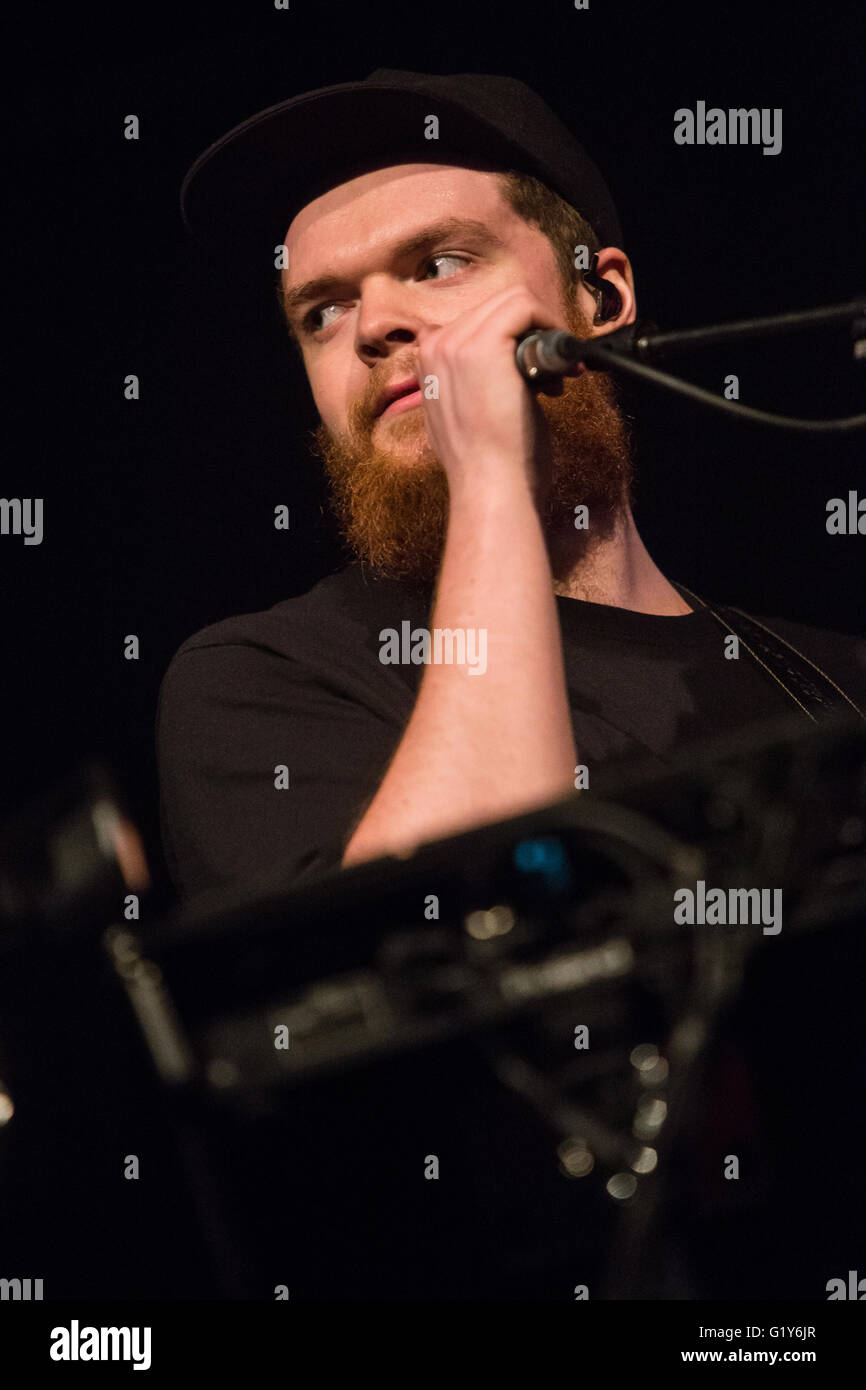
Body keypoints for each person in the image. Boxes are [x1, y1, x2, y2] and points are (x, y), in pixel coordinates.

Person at [158, 69, 865, 906]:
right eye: (324, 313)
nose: (375, 326)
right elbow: (467, 933)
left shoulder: (832, 678)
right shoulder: (263, 680)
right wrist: (492, 473)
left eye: (438, 263)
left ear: (602, 297)